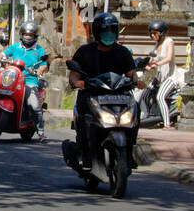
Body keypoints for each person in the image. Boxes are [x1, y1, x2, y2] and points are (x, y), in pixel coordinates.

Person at [67, 11, 137, 166]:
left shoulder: (123, 52)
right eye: (105, 30)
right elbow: (73, 75)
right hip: (92, 94)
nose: (109, 34)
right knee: (85, 117)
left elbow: (131, 73)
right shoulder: (85, 52)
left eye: (112, 30)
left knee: (135, 109)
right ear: (97, 32)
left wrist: (135, 81)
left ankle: (130, 150)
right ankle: (85, 152)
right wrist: (78, 83)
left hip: (118, 96)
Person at [3, 19, 48, 141]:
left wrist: (40, 70)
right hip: (13, 78)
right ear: (22, 35)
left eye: (31, 35)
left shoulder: (39, 50)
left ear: (35, 36)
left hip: (29, 81)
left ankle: (41, 132)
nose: (28, 37)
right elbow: (5, 53)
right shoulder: (15, 47)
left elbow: (43, 64)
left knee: (34, 106)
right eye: (26, 34)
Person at [145, 18, 182, 129]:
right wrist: (146, 64)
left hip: (171, 76)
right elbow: (151, 59)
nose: (152, 36)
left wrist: (156, 64)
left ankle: (167, 124)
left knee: (160, 96)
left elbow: (169, 58)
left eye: (154, 33)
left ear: (161, 33)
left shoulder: (169, 41)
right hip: (160, 76)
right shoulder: (157, 45)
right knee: (146, 93)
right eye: (151, 34)